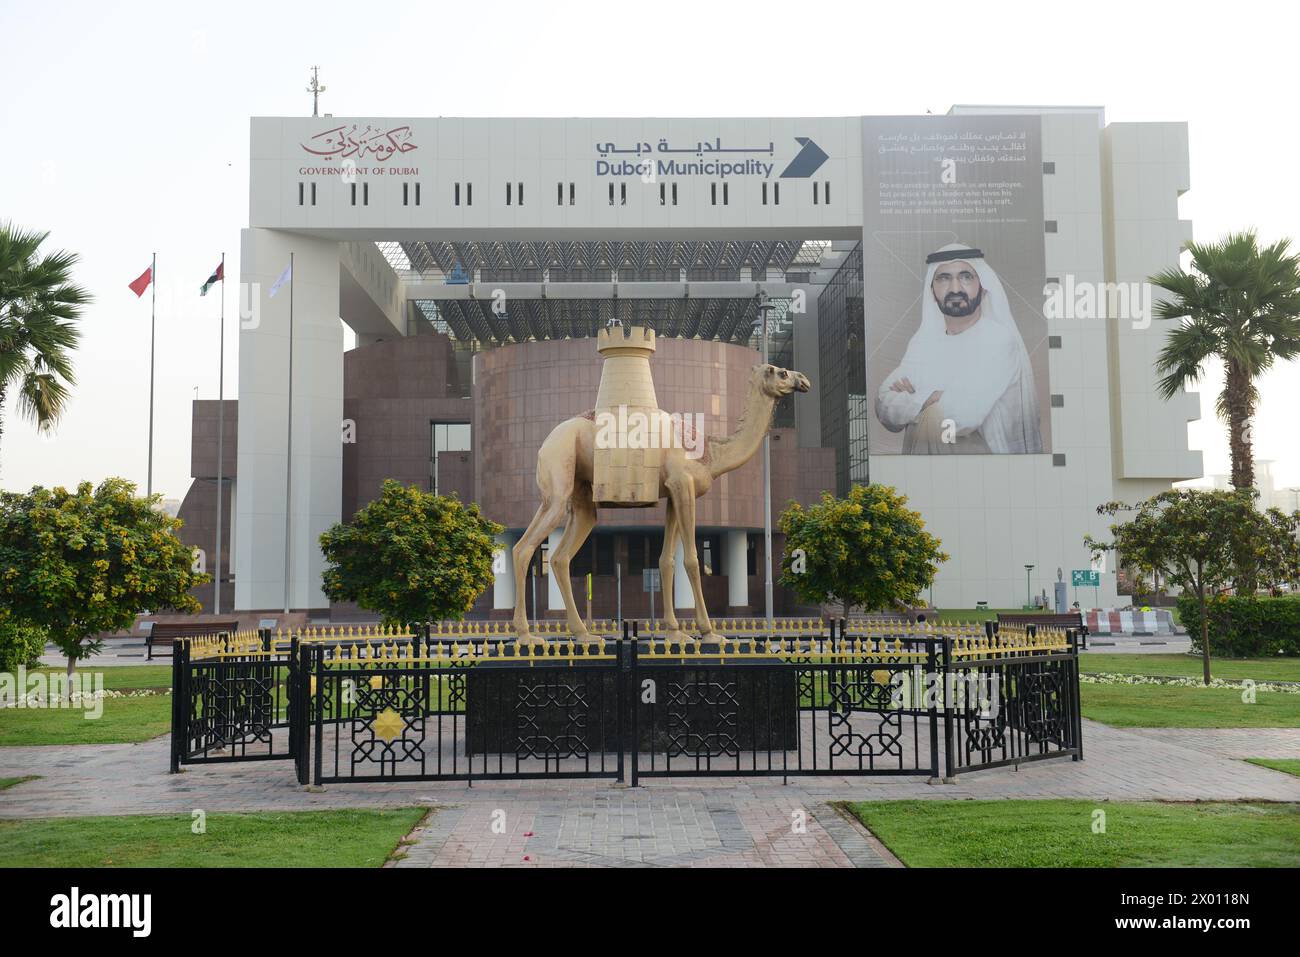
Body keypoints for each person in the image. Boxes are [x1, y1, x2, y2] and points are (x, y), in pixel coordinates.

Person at [876, 243, 1043, 453]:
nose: (955, 288)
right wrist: (933, 398)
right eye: (944, 278)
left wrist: (913, 400)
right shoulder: (922, 343)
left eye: (966, 277)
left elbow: (962, 417)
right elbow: (883, 405)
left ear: (983, 288)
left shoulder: (998, 339)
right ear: (932, 291)